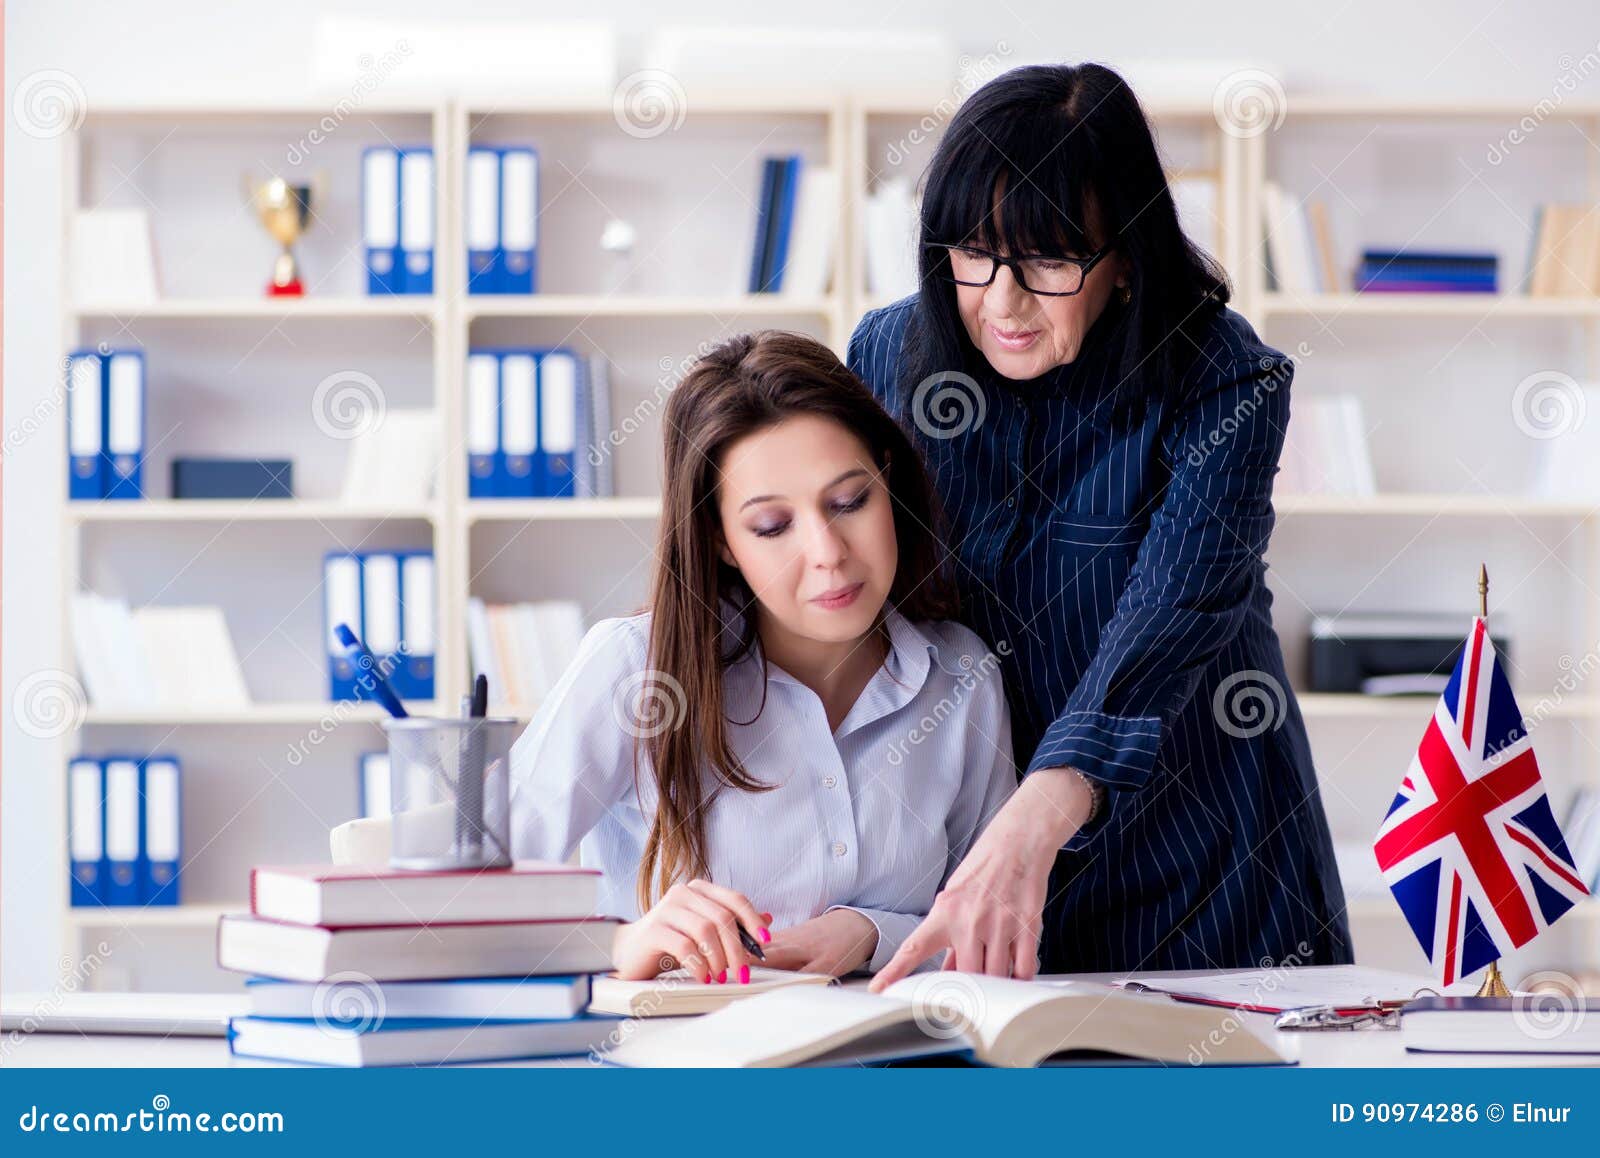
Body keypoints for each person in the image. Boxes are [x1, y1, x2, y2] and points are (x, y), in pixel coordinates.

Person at [855, 62, 1351, 990]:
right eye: (972, 252)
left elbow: (1176, 607)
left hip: (1209, 865)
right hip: (981, 861)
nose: (1000, 303)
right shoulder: (890, 354)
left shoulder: (1222, 379)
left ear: (1124, 253)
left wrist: (1043, 808)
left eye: (1047, 260)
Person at [508, 330, 1015, 982]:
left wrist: (873, 935)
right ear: (721, 542)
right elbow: (459, 914)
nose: (827, 552)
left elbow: (999, 928)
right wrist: (620, 944)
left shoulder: (959, 676)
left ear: (888, 482)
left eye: (850, 501)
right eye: (773, 527)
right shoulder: (636, 669)